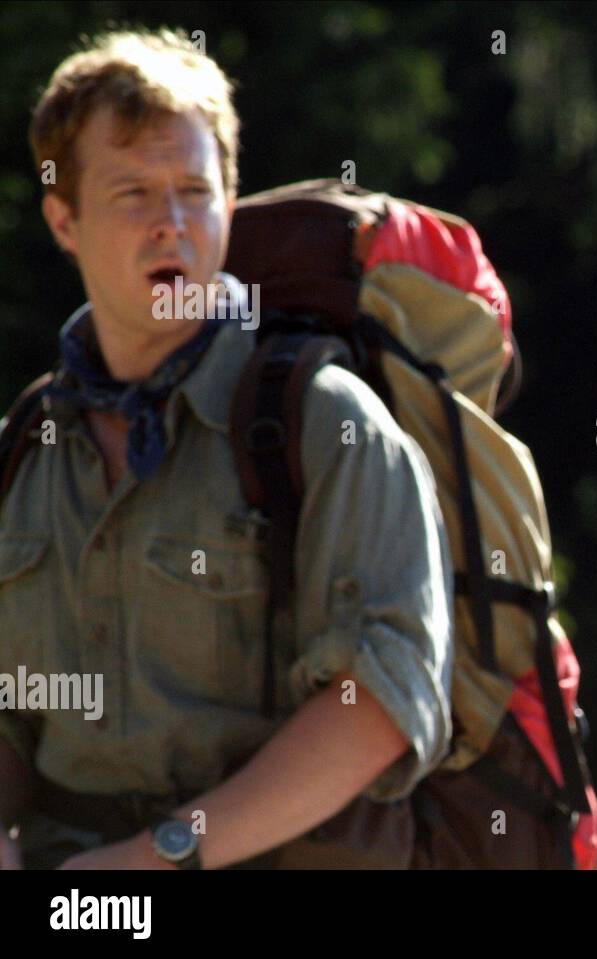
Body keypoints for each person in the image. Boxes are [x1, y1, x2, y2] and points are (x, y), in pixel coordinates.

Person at [0, 28, 453, 870]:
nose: (171, 225)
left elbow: (385, 699)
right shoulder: (25, 449)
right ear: (64, 217)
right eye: (133, 192)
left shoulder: (320, 422)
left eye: (194, 191)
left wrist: (157, 857)